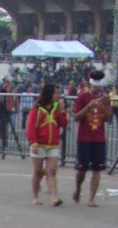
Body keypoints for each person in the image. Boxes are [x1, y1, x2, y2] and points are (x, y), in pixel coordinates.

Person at [72, 73, 112, 206]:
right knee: (82, 169)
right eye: (95, 87)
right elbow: (76, 117)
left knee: (97, 169)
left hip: (99, 138)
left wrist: (106, 105)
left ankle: (91, 198)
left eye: (99, 87)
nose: (97, 90)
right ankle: (78, 188)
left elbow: (107, 119)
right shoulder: (83, 96)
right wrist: (88, 106)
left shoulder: (105, 98)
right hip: (84, 137)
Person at [26, 82, 66, 205]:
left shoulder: (56, 108)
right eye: (56, 93)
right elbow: (31, 127)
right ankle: (35, 195)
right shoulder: (37, 109)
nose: (59, 96)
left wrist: (62, 110)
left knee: (52, 170)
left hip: (53, 144)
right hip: (39, 143)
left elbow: (63, 123)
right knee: (38, 171)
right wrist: (33, 142)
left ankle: (54, 197)